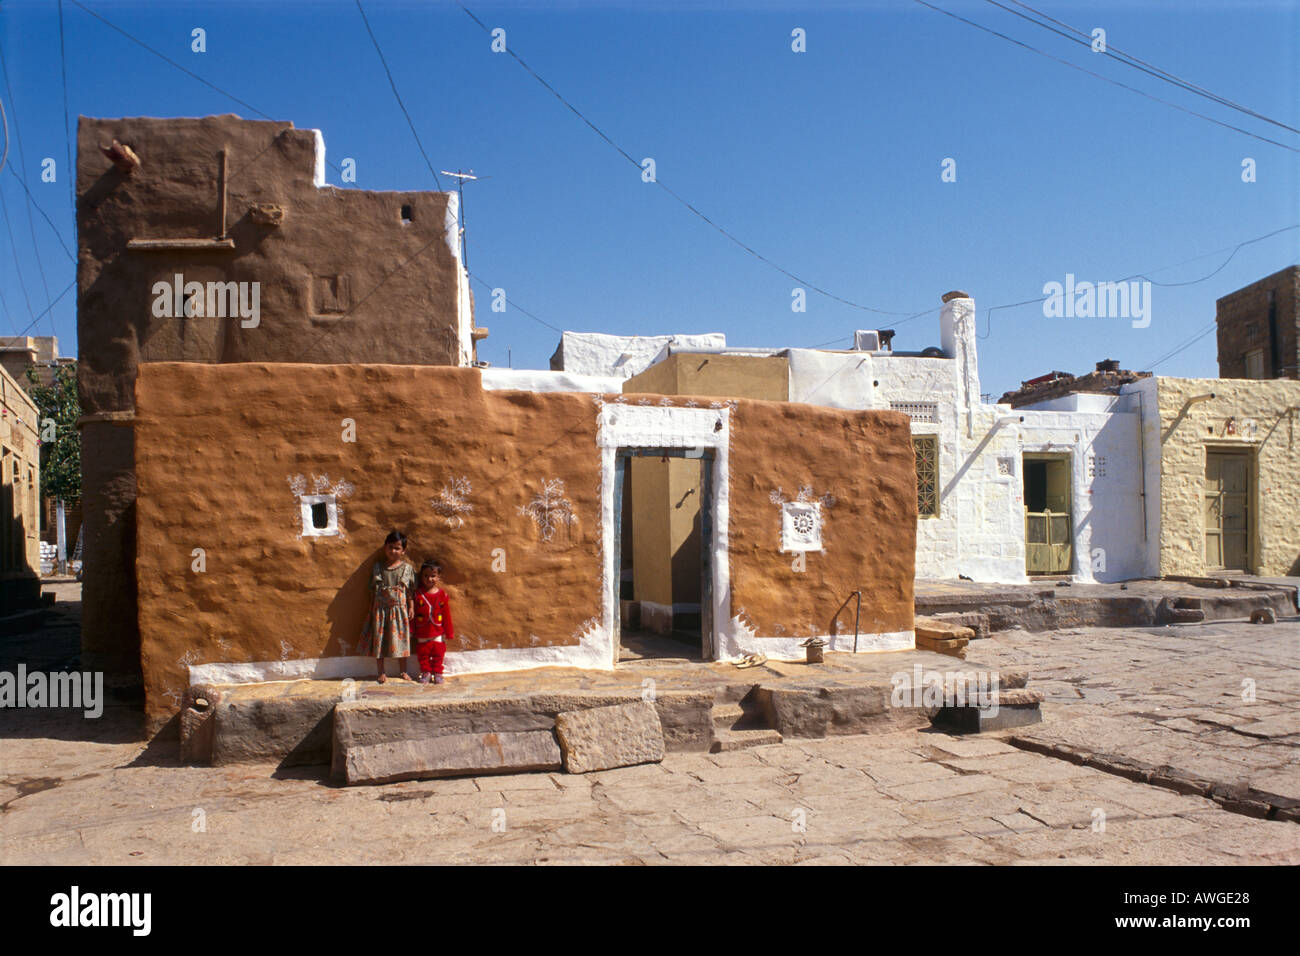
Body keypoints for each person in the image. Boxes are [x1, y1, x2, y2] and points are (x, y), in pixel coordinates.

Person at [361, 530, 415, 683]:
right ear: (385, 548)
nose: (393, 551)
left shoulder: (407, 569)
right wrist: (372, 610)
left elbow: (410, 591)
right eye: (390, 547)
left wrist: (411, 607)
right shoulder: (378, 568)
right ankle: (381, 672)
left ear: (403, 551)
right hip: (380, 611)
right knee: (380, 640)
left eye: (397, 548)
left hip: (400, 611)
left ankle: (403, 671)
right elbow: (372, 591)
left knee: (402, 640)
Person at [411, 557, 455, 684]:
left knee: (438, 654)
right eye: (426, 576)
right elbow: (413, 614)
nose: (429, 579)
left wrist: (449, 632)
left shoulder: (442, 595)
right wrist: (412, 629)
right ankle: (426, 672)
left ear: (438, 577)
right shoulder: (417, 594)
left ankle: (438, 673)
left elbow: (446, 615)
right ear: (421, 576)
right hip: (422, 631)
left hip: (437, 631)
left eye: (433, 576)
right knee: (423, 654)